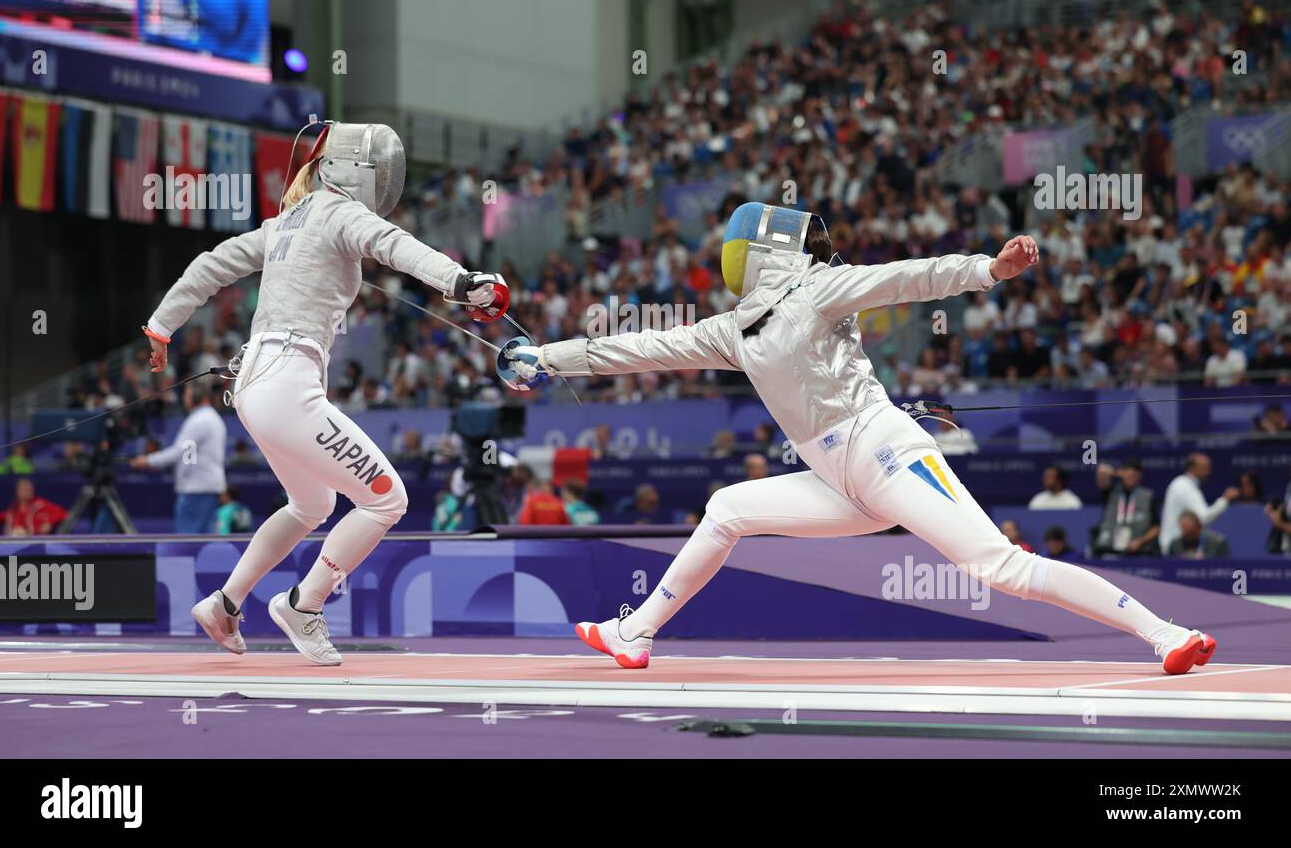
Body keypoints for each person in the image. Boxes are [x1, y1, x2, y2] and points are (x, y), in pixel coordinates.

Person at [510, 202, 1216, 674]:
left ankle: (1166, 636)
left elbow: (901, 280)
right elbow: (638, 349)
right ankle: (635, 635)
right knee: (728, 508)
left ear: (757, 253)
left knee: (1000, 568)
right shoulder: (732, 331)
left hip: (887, 452)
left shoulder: (821, 287)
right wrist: (546, 357)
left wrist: (984, 270)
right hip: (837, 480)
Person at [143, 121, 505, 665]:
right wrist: (462, 282)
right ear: (344, 169)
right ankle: (304, 605)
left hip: (253, 383)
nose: (382, 180)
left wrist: (160, 326)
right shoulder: (339, 211)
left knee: (313, 503)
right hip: (286, 382)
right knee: (386, 499)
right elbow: (396, 246)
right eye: (375, 169)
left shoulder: (283, 222)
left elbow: (209, 265)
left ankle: (225, 603)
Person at [131, 383, 227, 535]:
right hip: (206, 487)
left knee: (189, 539)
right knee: (204, 538)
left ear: (198, 397)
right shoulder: (213, 418)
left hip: (196, 489)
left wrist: (148, 460)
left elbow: (179, 451)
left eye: (187, 395)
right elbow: (189, 455)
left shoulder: (199, 420)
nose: (185, 399)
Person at [1160, 453, 1238, 554]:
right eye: (1205, 467)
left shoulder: (1180, 483)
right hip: (1177, 548)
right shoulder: (1184, 486)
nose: (1209, 472)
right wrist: (1225, 500)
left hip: (1175, 545)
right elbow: (1204, 518)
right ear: (1192, 468)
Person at [1092, 461, 1160, 557]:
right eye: (1128, 474)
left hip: (1138, 551)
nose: (1131, 477)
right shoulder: (1110, 491)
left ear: (1140, 476)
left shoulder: (1148, 496)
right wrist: (1117, 473)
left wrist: (1140, 542)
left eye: (1134, 475)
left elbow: (1156, 528)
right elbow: (1102, 470)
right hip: (1109, 549)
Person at [0, 478, 67, 537]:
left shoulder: (40, 504)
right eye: (25, 489)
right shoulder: (13, 509)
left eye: (30, 489)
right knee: (11, 555)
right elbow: (1, 516)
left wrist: (49, 522)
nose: (28, 491)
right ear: (17, 491)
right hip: (14, 546)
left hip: (35, 546)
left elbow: (62, 513)